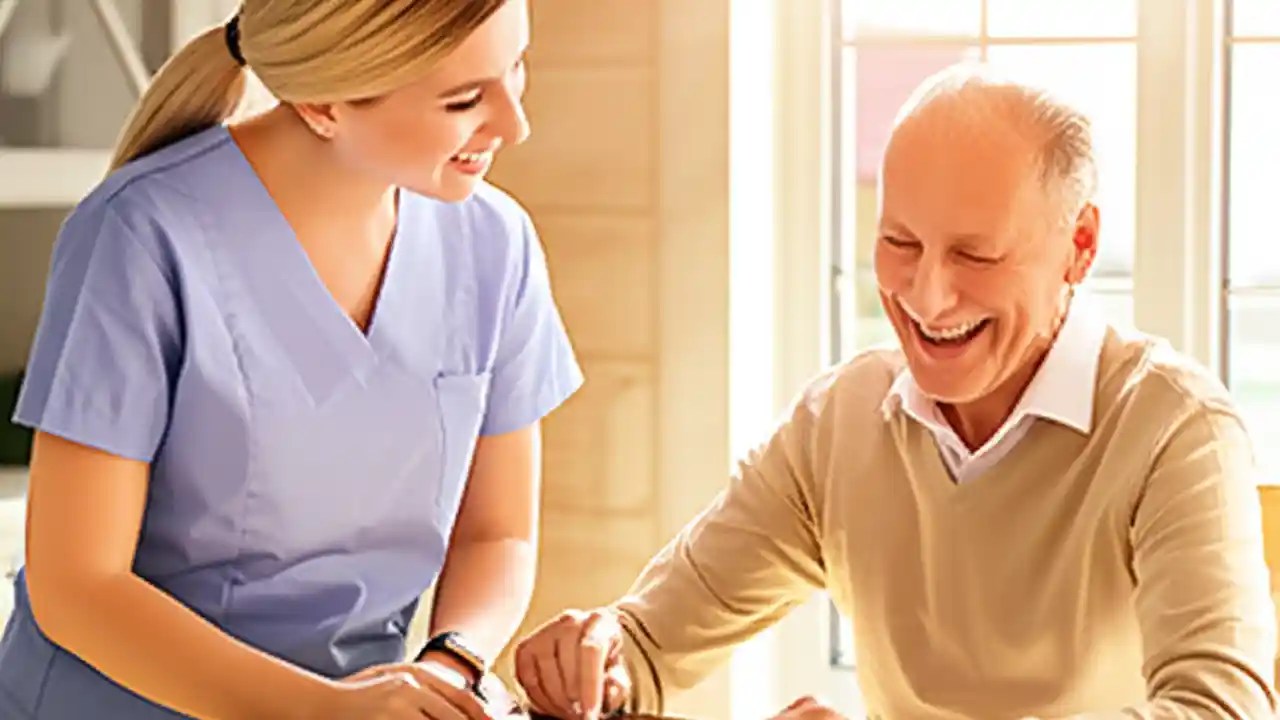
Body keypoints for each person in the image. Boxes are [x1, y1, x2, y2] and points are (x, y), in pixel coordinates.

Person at [512, 64, 1279, 720]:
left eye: (975, 254)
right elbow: (650, 643)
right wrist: (597, 661)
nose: (927, 296)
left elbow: (1219, 709)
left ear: (1078, 246)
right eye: (899, 243)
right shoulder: (840, 422)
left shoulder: (1176, 427)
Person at [0, 1, 581, 718]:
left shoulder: (497, 246)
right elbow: (78, 590)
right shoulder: (143, 236)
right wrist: (319, 710)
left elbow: (500, 532)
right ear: (321, 105)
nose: (513, 125)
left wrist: (450, 664)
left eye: (516, 67)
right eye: (463, 100)